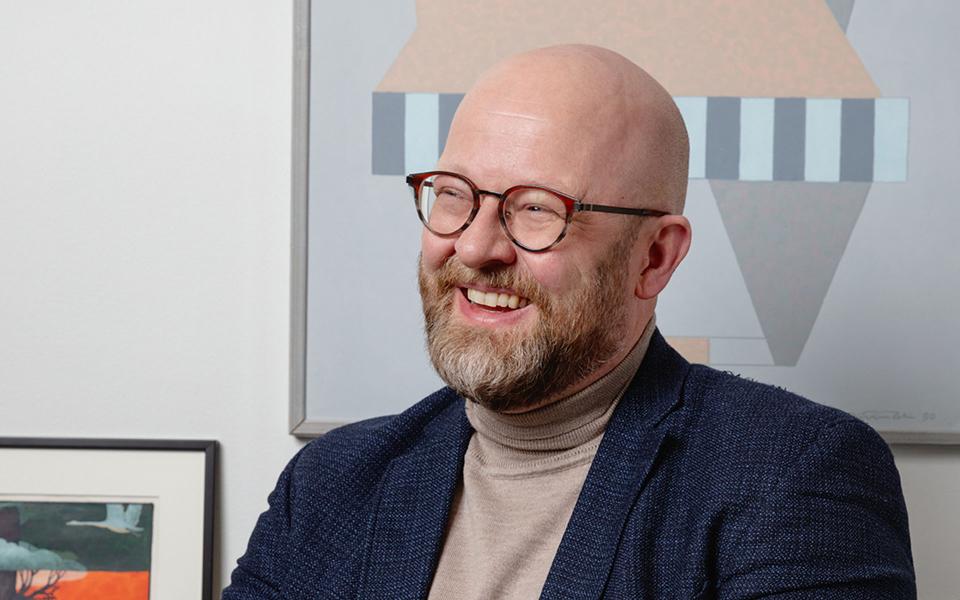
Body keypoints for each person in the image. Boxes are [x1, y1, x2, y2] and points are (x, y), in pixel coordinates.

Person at [223, 45, 915, 599]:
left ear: (654, 257)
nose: (475, 248)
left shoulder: (792, 475)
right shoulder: (331, 484)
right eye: (454, 195)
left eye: (536, 209)